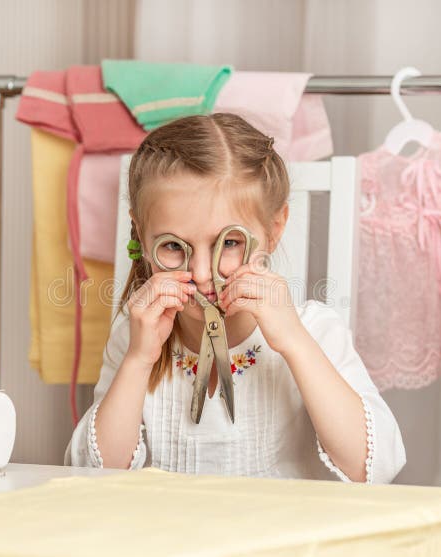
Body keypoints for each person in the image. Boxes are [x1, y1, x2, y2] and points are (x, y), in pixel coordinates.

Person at [65, 113, 405, 483]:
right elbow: (92, 476)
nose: (201, 273)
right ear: (142, 238)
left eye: (228, 242)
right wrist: (138, 360)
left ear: (274, 229)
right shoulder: (136, 339)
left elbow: (374, 468)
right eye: (174, 246)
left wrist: (294, 342)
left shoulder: (316, 330)